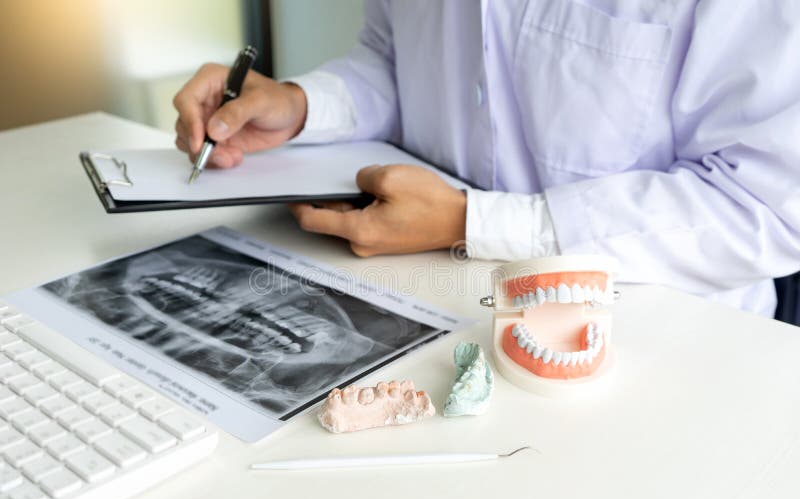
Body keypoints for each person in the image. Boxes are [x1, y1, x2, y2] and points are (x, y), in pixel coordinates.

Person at [173, 0, 800, 318]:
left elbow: (768, 207)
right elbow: (394, 64)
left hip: (669, 338)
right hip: (428, 300)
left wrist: (473, 223)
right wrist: (303, 103)